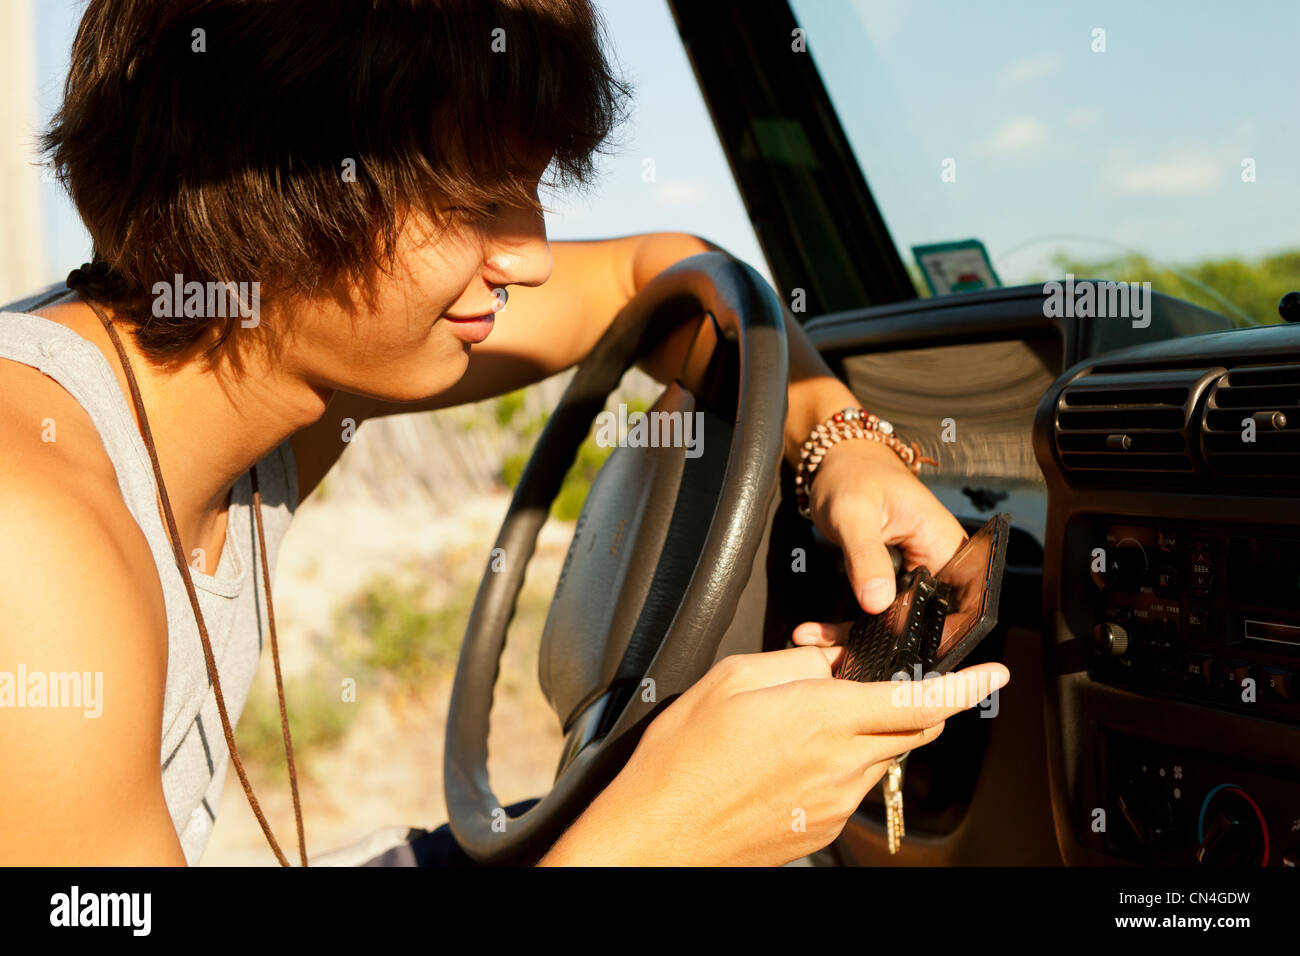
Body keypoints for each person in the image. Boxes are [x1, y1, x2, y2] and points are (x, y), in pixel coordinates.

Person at [0, 0, 1008, 866]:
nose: (527, 254)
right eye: (473, 200)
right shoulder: (30, 534)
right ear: (267, 198)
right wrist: (650, 839)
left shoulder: (264, 349)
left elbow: (661, 283)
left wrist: (842, 442)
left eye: (529, 187)